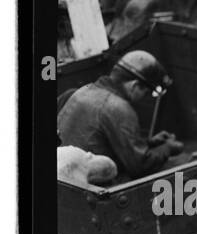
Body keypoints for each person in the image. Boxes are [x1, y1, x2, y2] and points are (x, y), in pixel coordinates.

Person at [56, 49, 183, 182]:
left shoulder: (83, 91)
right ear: (134, 85)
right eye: (145, 92)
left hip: (66, 174)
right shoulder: (118, 108)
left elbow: (101, 140)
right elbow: (140, 166)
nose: (143, 97)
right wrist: (167, 148)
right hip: (89, 183)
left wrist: (149, 143)